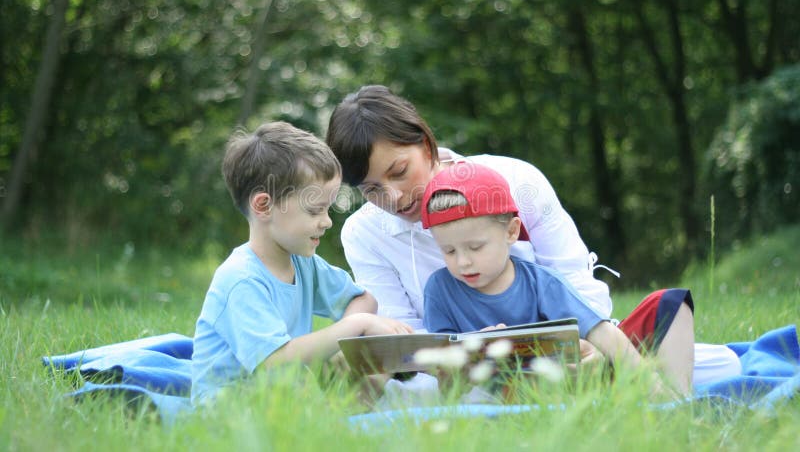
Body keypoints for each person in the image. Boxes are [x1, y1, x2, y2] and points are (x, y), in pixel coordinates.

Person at [325, 84, 742, 385]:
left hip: (570, 350)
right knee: (389, 390)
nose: (394, 197)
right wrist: (469, 355)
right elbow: (406, 337)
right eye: (372, 189)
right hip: (458, 375)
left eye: (399, 171)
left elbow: (578, 286)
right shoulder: (365, 233)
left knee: (723, 368)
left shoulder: (514, 181)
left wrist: (591, 348)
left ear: (426, 144)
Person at [421, 161, 694, 395]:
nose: (463, 261)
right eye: (449, 251)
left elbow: (601, 332)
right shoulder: (440, 289)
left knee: (669, 302)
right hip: (515, 392)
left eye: (476, 247)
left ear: (511, 232)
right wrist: (476, 350)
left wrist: (651, 384)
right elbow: (446, 381)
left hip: (580, 377)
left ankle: (674, 402)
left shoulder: (539, 282)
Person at [191, 121, 412, 404]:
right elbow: (275, 360)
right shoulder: (241, 279)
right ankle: (344, 420)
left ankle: (350, 419)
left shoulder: (303, 263)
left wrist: (346, 347)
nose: (327, 221)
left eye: (327, 209)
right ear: (263, 206)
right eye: (314, 210)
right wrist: (354, 326)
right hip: (233, 410)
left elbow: (363, 300)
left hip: (286, 401)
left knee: (374, 361)